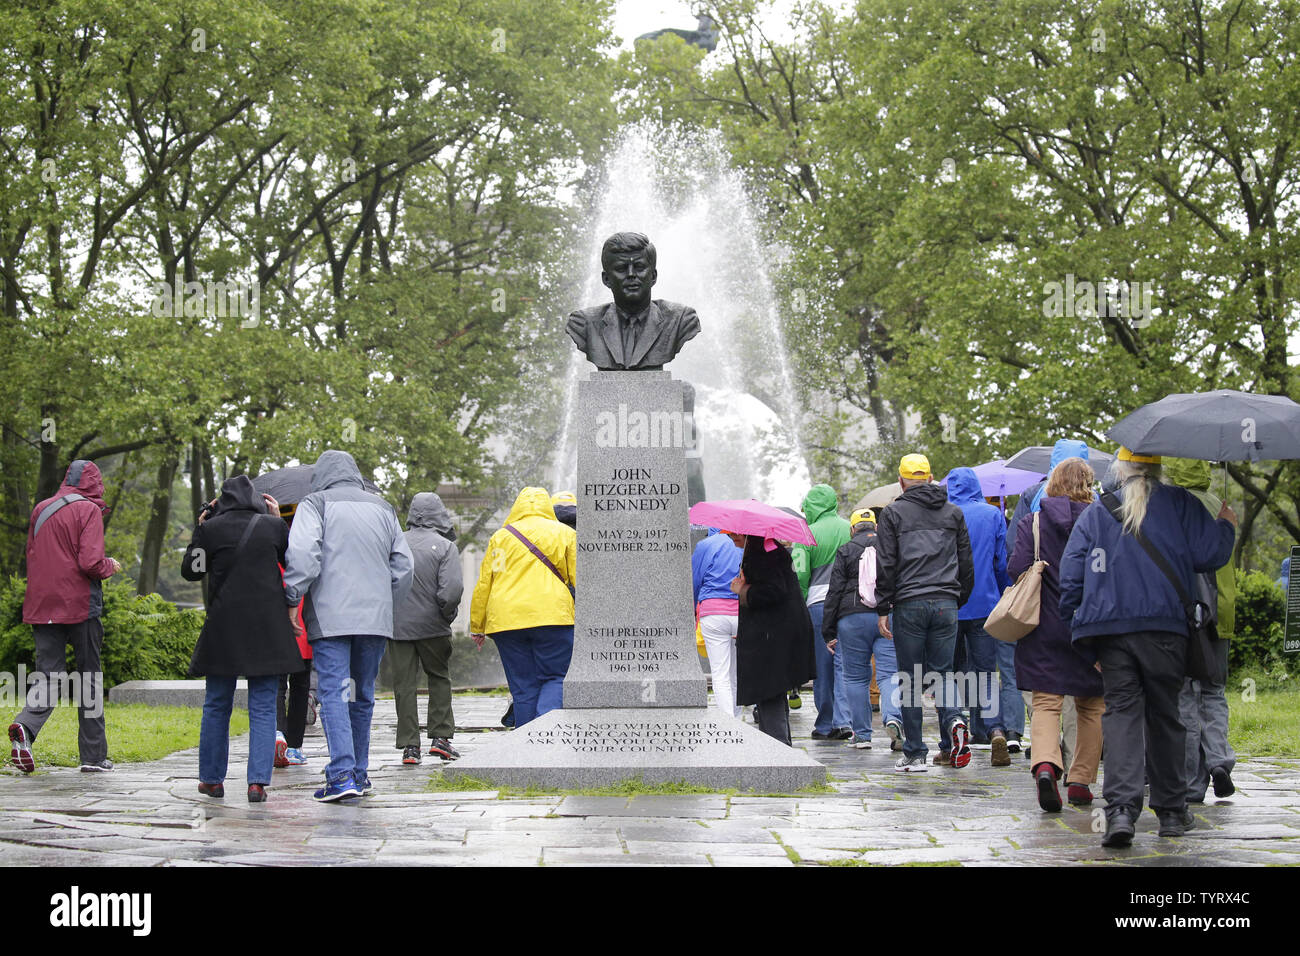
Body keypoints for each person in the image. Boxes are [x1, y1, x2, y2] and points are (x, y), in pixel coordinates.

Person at [1060, 447, 1236, 848]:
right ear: (1159, 468)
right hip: (1166, 629)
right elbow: (1210, 555)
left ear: (1120, 469)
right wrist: (1225, 524)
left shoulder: (1096, 512)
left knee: (1121, 715)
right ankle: (1172, 812)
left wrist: (1084, 639)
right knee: (1166, 714)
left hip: (1110, 632)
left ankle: (1121, 810)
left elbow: (1071, 578)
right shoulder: (1182, 504)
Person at [283, 450, 413, 803]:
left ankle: (341, 775)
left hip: (332, 619)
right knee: (360, 693)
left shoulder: (315, 504)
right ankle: (360, 772)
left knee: (337, 693)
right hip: (374, 621)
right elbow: (404, 567)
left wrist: (293, 597)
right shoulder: (383, 508)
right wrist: (385, 605)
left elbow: (305, 555)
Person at [181, 476, 306, 802]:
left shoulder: (211, 530)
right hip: (267, 629)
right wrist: (279, 521)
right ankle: (256, 783)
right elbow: (294, 562)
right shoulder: (272, 528)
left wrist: (200, 528)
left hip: (224, 630)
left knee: (216, 704)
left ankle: (212, 779)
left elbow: (191, 571)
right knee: (263, 706)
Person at [8, 460, 122, 774]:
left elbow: (34, 556)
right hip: (80, 605)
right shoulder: (88, 510)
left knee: (49, 676)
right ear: (95, 484)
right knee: (89, 678)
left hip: (42, 605)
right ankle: (93, 757)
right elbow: (90, 562)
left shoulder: (40, 509)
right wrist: (109, 565)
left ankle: (25, 726)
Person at [1006, 458, 1104, 811]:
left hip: (1043, 625)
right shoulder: (1104, 522)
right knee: (1092, 705)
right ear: (1089, 483)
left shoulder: (1033, 521)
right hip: (1091, 625)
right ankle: (1080, 781)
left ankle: (1046, 764)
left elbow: (1016, 568)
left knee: (1047, 702)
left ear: (1052, 483)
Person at [875, 453, 974, 773]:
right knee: (943, 674)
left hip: (909, 603)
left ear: (901, 481)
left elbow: (886, 563)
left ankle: (916, 753)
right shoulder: (953, 512)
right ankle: (956, 720)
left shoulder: (892, 514)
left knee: (911, 679)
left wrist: (883, 605)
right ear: (932, 479)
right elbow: (966, 563)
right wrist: (956, 599)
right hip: (946, 602)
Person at [469, 487, 576, 726]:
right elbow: (580, 580)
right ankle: (546, 733)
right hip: (553, 618)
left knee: (523, 686)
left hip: (506, 621)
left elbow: (485, 583)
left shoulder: (501, 537)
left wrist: (478, 626)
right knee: (556, 676)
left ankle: (526, 744)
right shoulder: (565, 534)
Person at [1165, 458, 1238, 802]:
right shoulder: (1220, 506)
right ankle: (1220, 760)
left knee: (1184, 696)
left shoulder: (1171, 507)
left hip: (1187, 615)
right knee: (1214, 691)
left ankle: (1193, 783)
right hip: (1221, 613)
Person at [946, 467, 1015, 766]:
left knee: (951, 671)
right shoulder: (992, 515)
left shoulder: (944, 514)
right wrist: (1002, 593)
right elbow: (1001, 561)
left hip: (950, 604)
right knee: (987, 673)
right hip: (986, 603)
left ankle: (955, 727)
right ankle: (995, 728)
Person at [392, 492, 464, 764]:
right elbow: (451, 590)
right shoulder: (445, 547)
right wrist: (447, 615)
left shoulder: (394, 541)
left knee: (404, 685)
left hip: (398, 626)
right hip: (434, 626)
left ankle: (410, 746)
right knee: (439, 677)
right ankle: (441, 738)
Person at [822, 509, 902, 750]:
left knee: (856, 677)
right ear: (876, 527)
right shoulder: (889, 546)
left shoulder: (846, 550)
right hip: (885, 616)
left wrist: (828, 631)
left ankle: (863, 735)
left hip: (852, 619)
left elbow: (834, 591)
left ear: (852, 529)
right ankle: (893, 718)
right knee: (888, 673)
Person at [730, 534, 816, 745]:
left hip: (772, 636)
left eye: (734, 533)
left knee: (769, 689)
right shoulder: (766, 550)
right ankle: (778, 746)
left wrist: (743, 590)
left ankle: (778, 748)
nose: (731, 536)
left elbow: (774, 590)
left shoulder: (763, 553)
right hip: (776, 634)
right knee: (771, 691)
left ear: (746, 532)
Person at [793, 484, 852, 740]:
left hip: (818, 606)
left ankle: (825, 723)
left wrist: (800, 605)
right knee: (846, 665)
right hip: (850, 606)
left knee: (823, 666)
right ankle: (845, 719)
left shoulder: (804, 535)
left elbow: (800, 576)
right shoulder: (849, 527)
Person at [692, 528, 743, 718]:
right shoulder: (742, 544)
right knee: (735, 673)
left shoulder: (705, 545)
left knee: (720, 673)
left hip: (712, 613)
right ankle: (737, 718)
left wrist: (694, 606)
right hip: (740, 612)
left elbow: (695, 580)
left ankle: (727, 720)